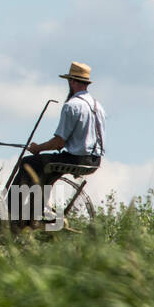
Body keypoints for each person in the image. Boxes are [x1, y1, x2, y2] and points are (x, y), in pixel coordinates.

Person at [7, 61, 104, 227]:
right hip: (94, 160)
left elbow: (59, 142)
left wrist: (37, 148)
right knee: (47, 171)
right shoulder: (97, 106)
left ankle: (9, 212)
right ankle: (38, 210)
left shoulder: (72, 106)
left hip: (76, 158)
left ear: (72, 82)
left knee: (28, 163)